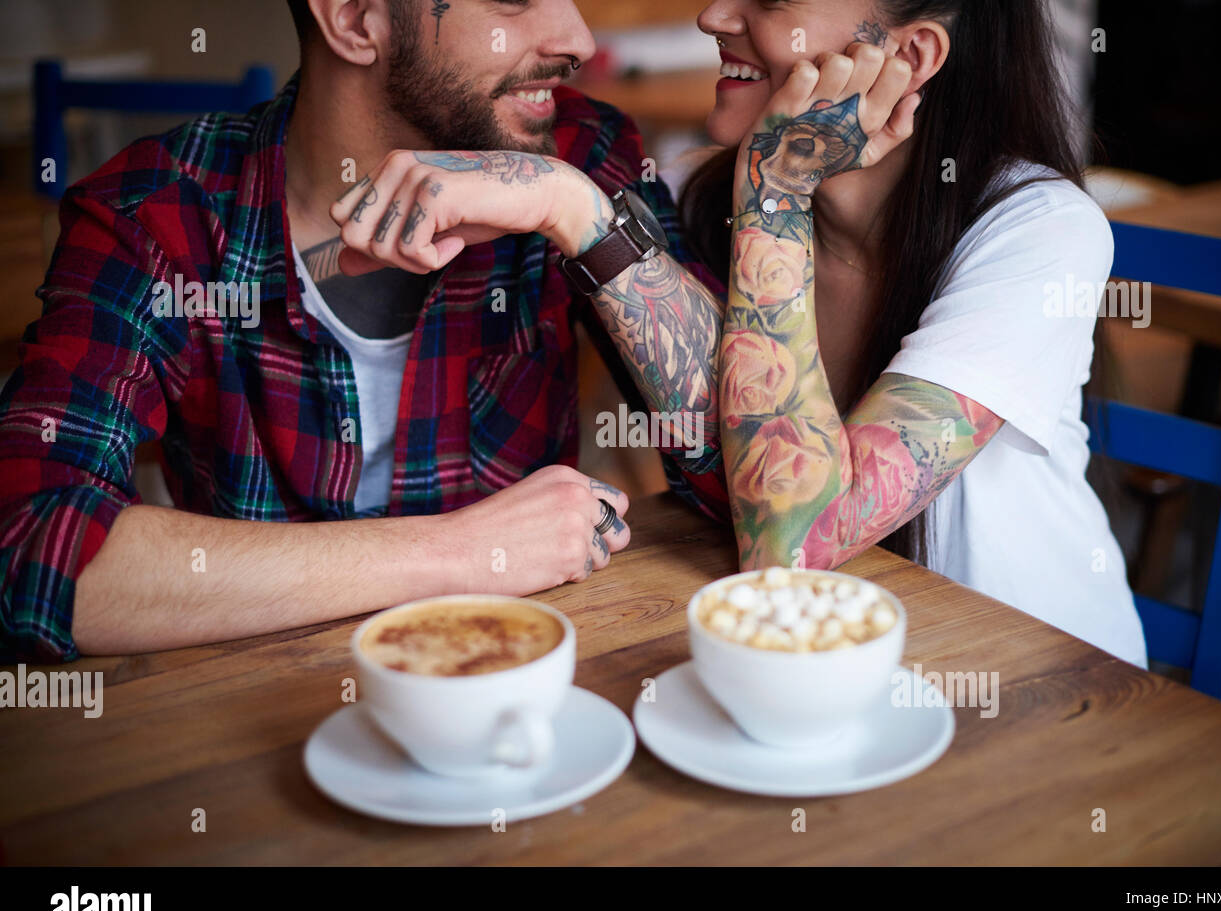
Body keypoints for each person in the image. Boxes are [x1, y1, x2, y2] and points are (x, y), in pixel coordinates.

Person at [0, 0, 729, 662]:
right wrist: (461, 552)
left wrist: (577, 213)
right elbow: (31, 547)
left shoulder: (577, 154)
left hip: (522, 698)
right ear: (352, 17)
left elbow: (752, 473)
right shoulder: (154, 215)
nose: (575, 37)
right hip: (255, 721)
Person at [677, 0, 1146, 667]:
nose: (714, 15)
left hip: (1046, 699)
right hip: (824, 678)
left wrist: (775, 193)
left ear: (911, 57)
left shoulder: (1043, 230)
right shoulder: (696, 200)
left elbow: (794, 548)